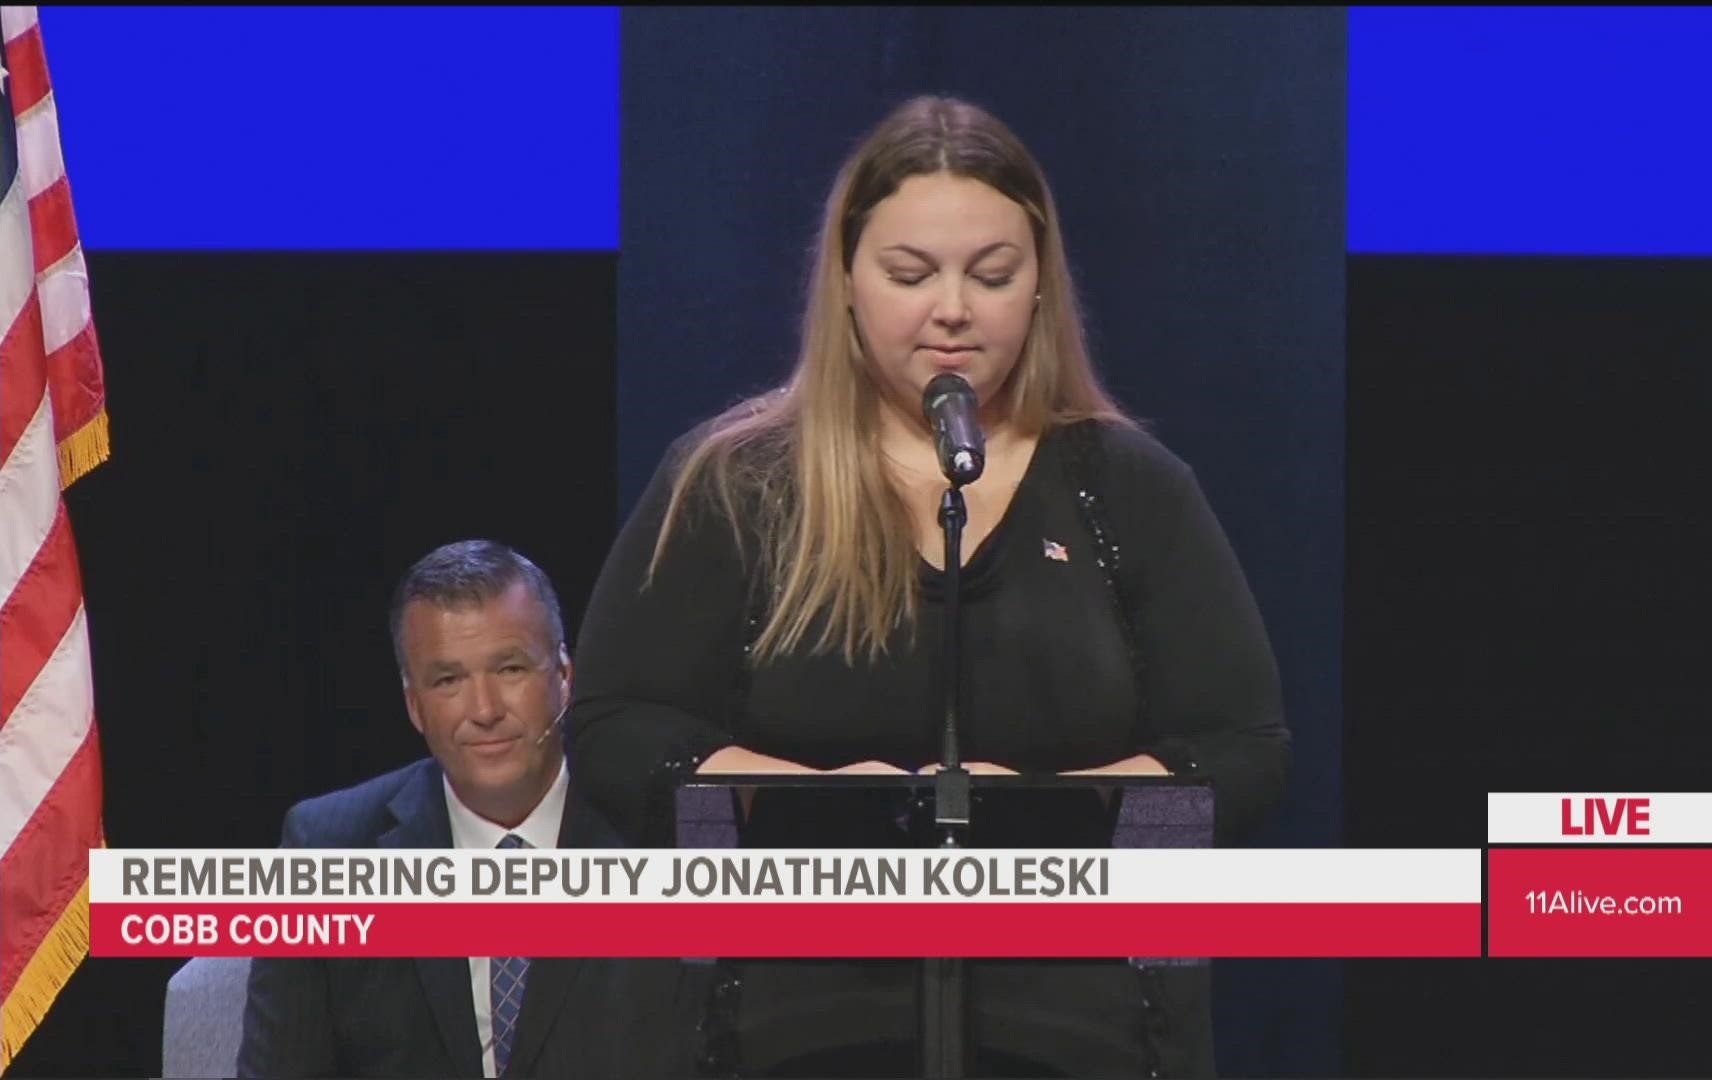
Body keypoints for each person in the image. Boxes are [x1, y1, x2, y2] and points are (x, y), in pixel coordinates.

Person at [568, 96, 1291, 1077]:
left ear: (1040, 287)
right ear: (848, 282)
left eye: (992, 274)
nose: (953, 308)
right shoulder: (737, 486)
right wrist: (804, 799)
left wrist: (1059, 807)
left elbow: (1243, 752)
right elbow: (615, 726)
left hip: (1083, 1035)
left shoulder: (1127, 488)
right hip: (791, 1032)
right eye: (912, 273)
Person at [238, 540, 694, 1078]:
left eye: (509, 669)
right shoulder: (326, 848)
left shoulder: (668, 836)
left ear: (564, 678)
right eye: (448, 680)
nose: (484, 711)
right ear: (415, 705)